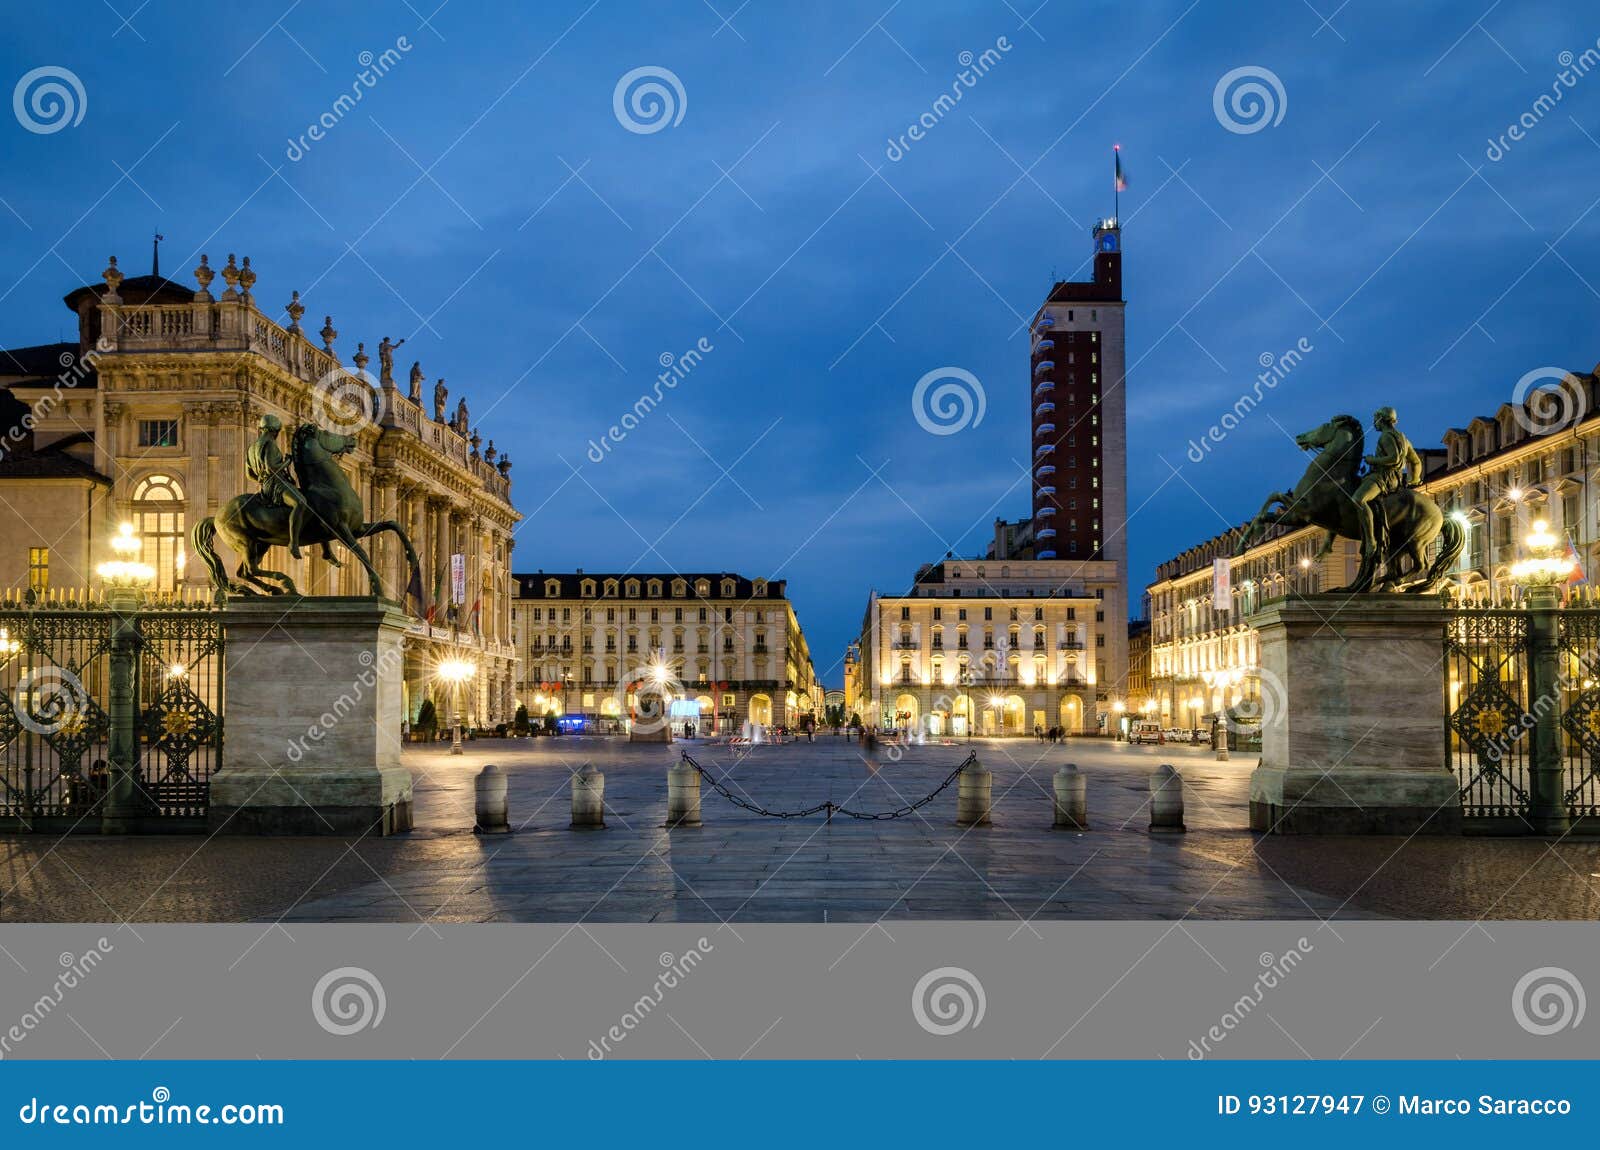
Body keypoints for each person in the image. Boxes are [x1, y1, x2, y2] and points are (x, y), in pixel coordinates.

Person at [1352, 406, 1423, 560]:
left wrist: (1372, 460)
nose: (1374, 423)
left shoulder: (1385, 436)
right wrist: (1414, 480)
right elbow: (1416, 462)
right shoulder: (1404, 438)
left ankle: (1370, 541)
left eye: (1375, 419)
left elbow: (1394, 459)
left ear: (1381, 419)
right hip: (1397, 479)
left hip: (1383, 477)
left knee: (1358, 499)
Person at [246, 414, 314, 560]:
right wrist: (287, 462)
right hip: (277, 486)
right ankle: (294, 543)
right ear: (274, 430)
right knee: (300, 503)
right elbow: (272, 468)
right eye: (276, 432)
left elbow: (249, 474)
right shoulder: (269, 443)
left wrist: (261, 480)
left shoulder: (251, 448)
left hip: (264, 487)